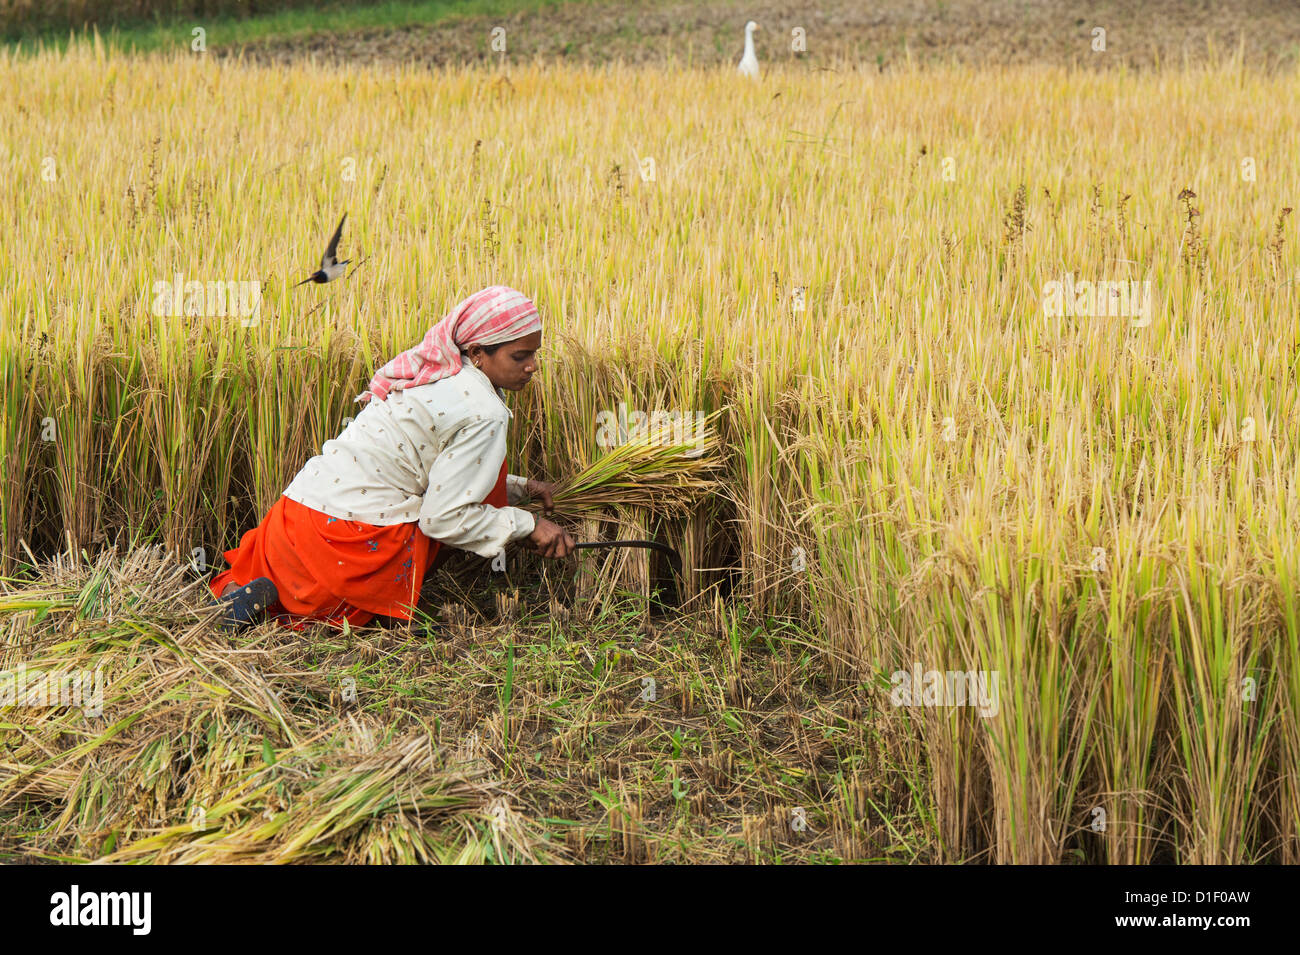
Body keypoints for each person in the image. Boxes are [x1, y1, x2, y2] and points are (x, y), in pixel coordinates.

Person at [209, 285, 576, 632]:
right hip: (345, 540)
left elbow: (435, 469)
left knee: (267, 589)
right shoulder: (484, 411)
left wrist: (521, 488)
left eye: (534, 354)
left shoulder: (435, 375)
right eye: (520, 356)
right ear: (478, 352)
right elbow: (442, 518)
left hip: (294, 518)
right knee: (327, 612)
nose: (532, 367)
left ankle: (236, 599)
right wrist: (527, 523)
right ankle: (354, 609)